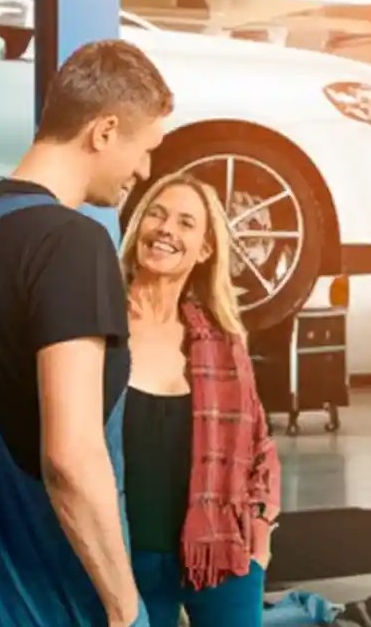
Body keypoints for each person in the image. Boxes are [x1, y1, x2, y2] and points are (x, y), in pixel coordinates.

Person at [0, 38, 175, 627]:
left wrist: (0, 470)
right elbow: (71, 458)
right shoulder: (73, 243)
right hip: (48, 595)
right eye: (145, 149)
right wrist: (125, 608)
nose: (143, 170)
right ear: (104, 131)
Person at [118, 173, 282, 627]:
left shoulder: (222, 340)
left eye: (185, 223)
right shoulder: (99, 324)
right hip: (124, 558)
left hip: (220, 550)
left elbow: (260, 445)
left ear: (205, 249)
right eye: (156, 214)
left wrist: (261, 536)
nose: (166, 229)